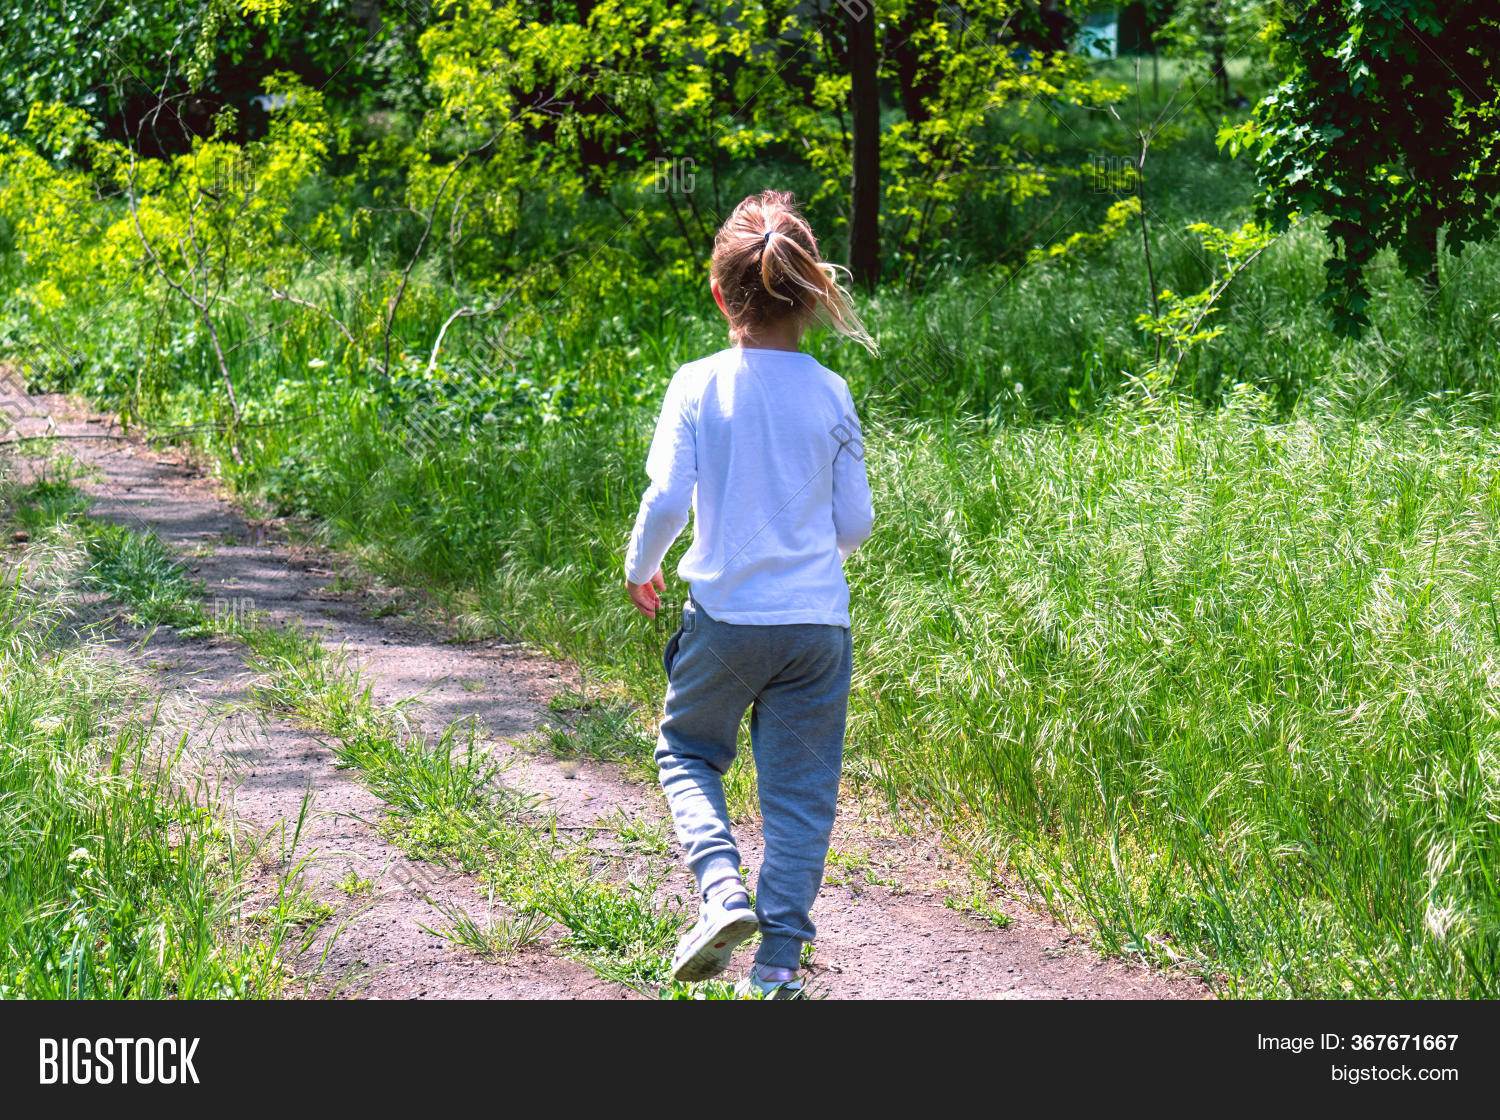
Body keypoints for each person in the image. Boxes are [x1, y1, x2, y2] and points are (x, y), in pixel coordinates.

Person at [624, 189, 876, 999]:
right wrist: (809, 556)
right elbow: (857, 523)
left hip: (727, 621)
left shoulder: (698, 383)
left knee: (688, 749)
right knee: (801, 797)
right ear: (808, 293)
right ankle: (776, 971)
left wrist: (640, 565)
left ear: (717, 289)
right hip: (817, 630)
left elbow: (667, 500)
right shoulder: (832, 393)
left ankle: (722, 892)